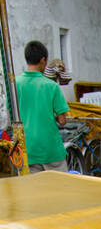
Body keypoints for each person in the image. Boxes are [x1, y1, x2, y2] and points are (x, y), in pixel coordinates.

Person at [15, 39, 68, 172]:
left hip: (26, 149)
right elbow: (62, 120)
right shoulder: (51, 86)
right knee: (60, 190)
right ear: (43, 60)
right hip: (50, 151)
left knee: (33, 191)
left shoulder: (14, 84)